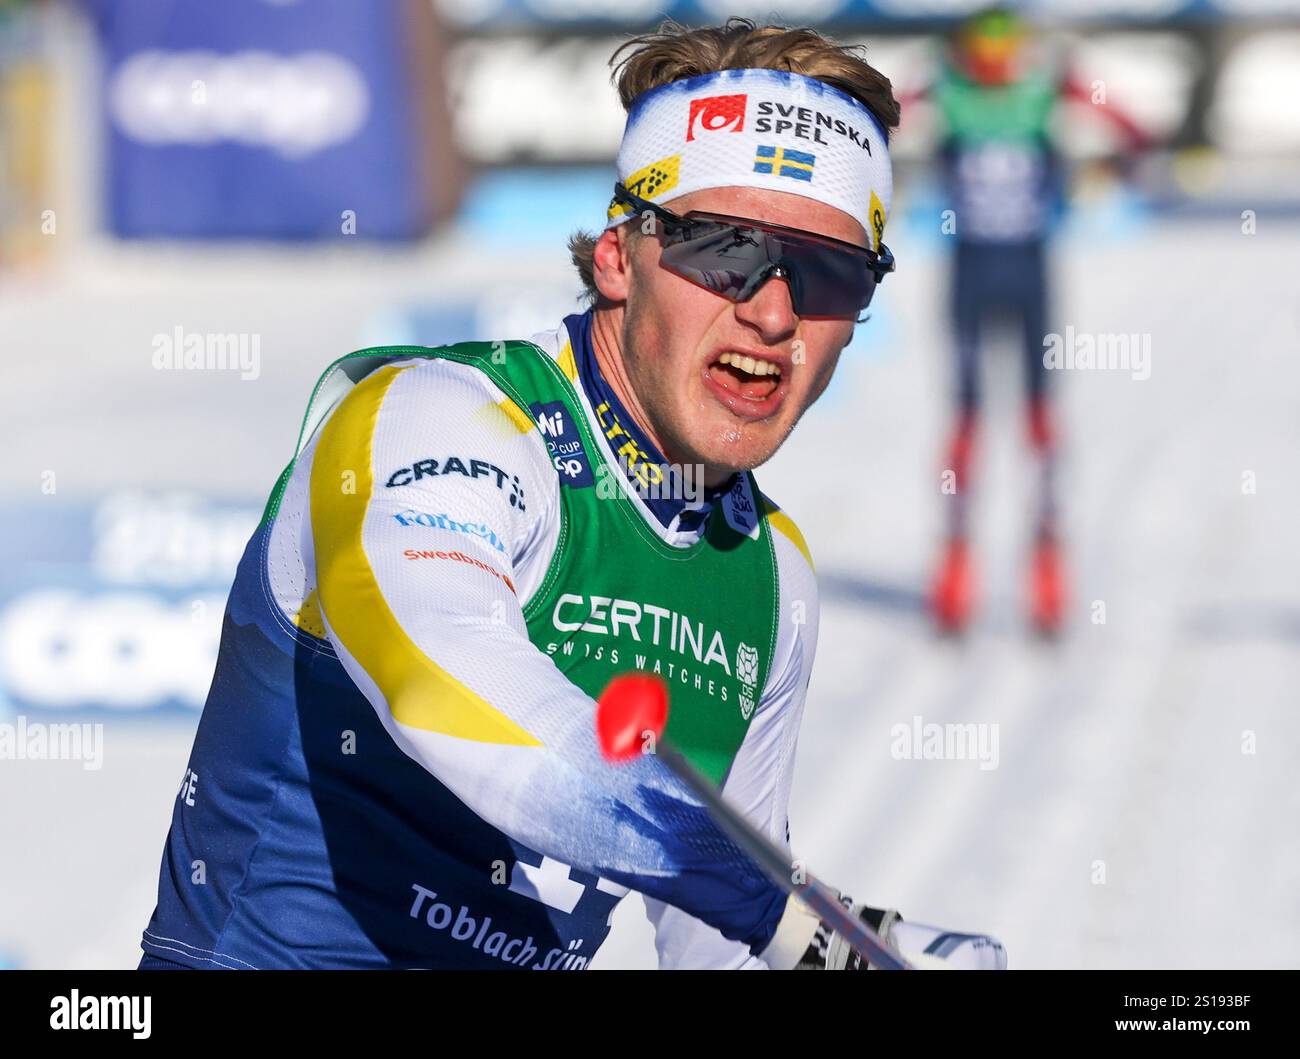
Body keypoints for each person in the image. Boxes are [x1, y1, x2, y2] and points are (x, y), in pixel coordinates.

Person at [138, 18, 1004, 971]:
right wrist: (802, 924)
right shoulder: (434, 420)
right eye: (726, 248)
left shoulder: (769, 579)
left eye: (829, 271)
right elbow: (451, 698)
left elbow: (718, 951)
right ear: (617, 257)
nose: (772, 311)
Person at [907, 8, 1147, 634]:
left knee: (1028, 423)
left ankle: (1039, 576)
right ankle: (964, 574)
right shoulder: (984, 86)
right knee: (975, 421)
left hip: (1007, 276)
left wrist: (1109, 168)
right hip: (993, 276)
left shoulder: (987, 86)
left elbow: (1132, 130)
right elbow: (1135, 131)